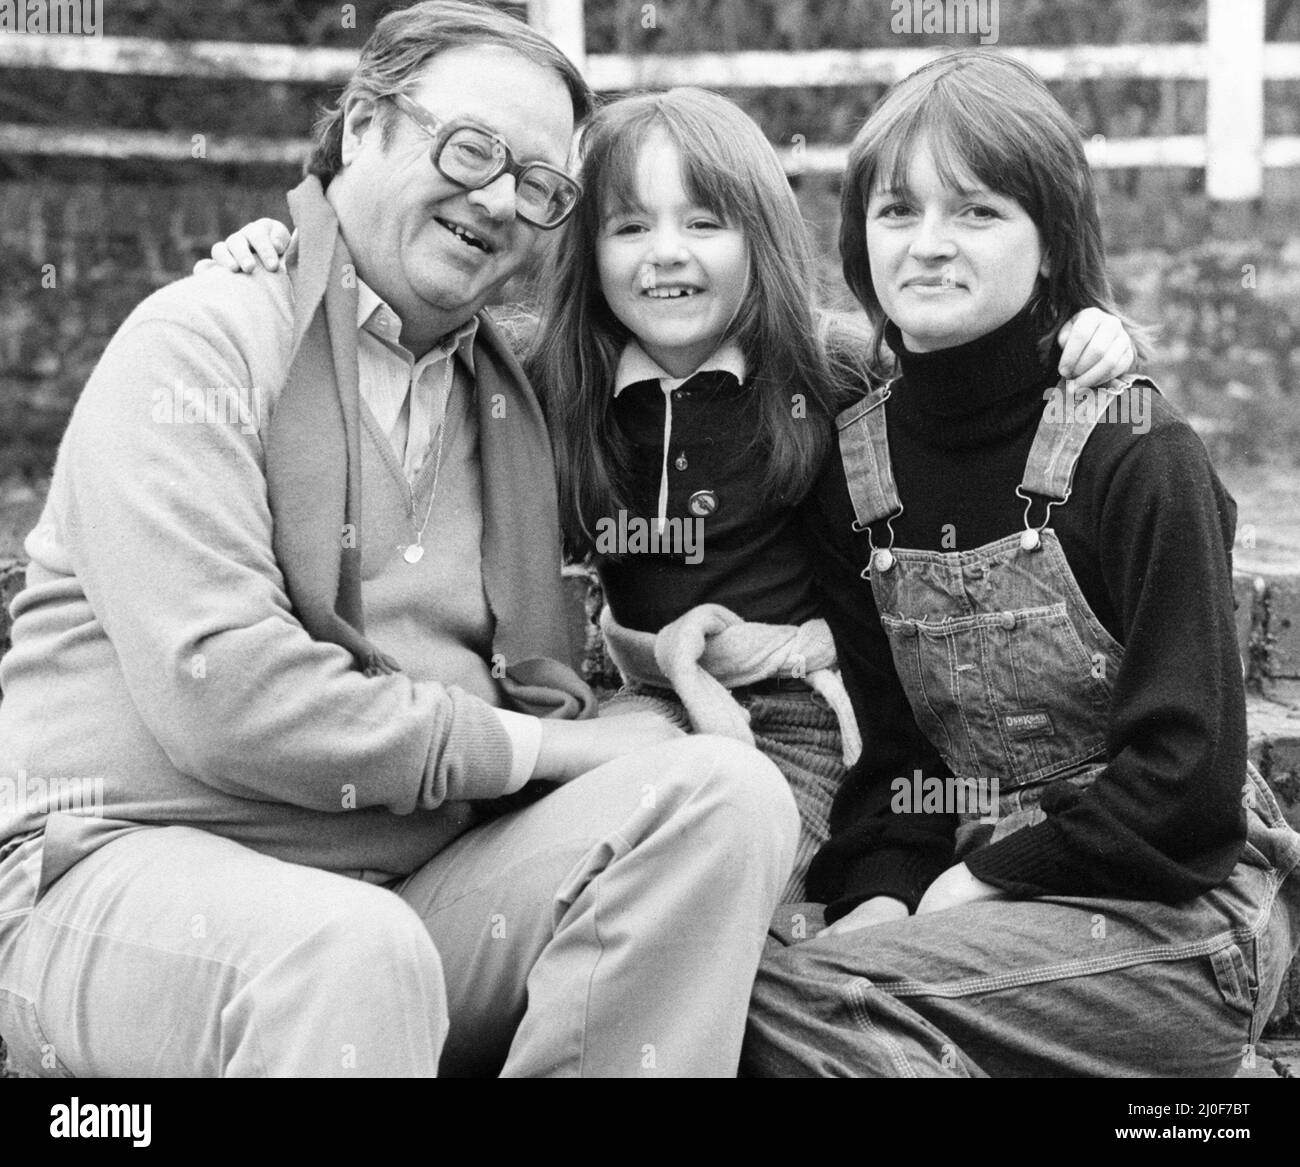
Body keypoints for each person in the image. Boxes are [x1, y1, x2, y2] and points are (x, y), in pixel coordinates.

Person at [0, 1, 802, 1079]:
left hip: (411, 887)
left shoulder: (513, 395)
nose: (496, 200)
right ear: (363, 127)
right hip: (118, 870)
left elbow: (778, 344)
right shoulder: (202, 344)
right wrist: (554, 747)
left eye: (537, 186)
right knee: (347, 952)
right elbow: (226, 694)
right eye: (469, 147)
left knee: (720, 795)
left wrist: (1084, 346)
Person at [208, 86, 1137, 904]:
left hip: (796, 714)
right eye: (628, 227)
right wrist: (285, 256)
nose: (666, 256)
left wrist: (1094, 332)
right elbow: (391, 319)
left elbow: (980, 372)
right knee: (577, 881)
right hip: (641, 700)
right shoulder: (546, 378)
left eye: (703, 223)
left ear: (759, 237)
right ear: (588, 248)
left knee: (717, 893)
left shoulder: (829, 370)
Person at [741, 51, 1300, 1077]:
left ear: (1050, 247)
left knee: (773, 1003)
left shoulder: (1133, 452)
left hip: (1176, 917)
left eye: (978, 212)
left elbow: (1189, 782)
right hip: (982, 919)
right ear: (859, 244)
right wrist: (880, 900)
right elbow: (900, 764)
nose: (930, 245)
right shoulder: (855, 473)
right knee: (757, 986)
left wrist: (985, 881)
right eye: (898, 212)